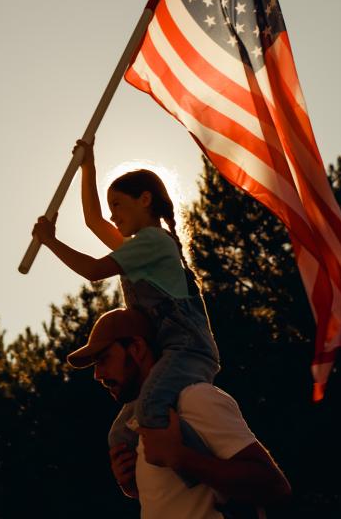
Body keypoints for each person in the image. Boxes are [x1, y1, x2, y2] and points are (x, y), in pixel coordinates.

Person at [31, 140, 220, 482]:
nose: (113, 215)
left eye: (118, 204)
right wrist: (88, 166)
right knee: (121, 432)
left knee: (149, 407)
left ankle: (207, 474)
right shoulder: (140, 248)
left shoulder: (152, 242)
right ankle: (139, 485)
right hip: (168, 354)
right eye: (111, 206)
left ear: (144, 199)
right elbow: (93, 221)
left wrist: (50, 241)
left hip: (187, 350)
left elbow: (92, 270)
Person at [71, 308, 291, 517]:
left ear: (136, 348)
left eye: (104, 359)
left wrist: (180, 458)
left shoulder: (195, 398)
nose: (97, 374)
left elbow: (274, 486)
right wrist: (132, 485)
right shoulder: (139, 422)